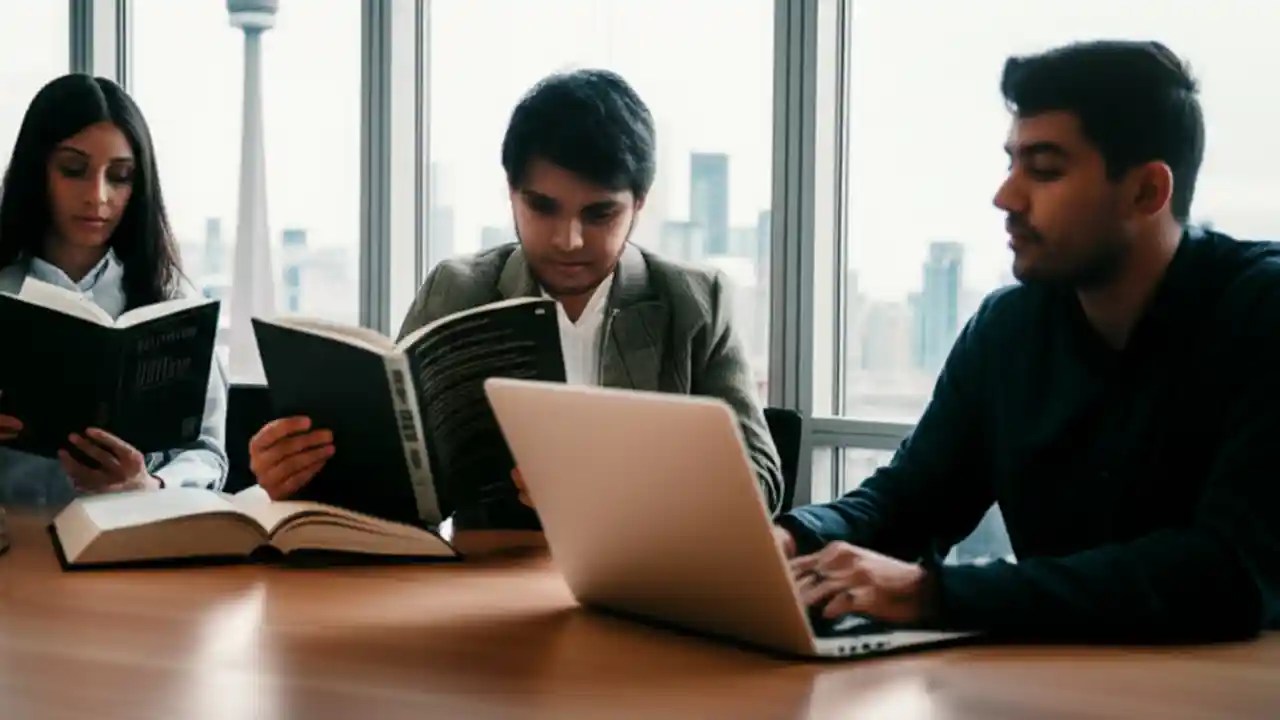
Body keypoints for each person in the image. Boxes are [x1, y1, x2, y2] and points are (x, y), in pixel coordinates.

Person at [775, 40, 1280, 641]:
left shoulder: (1262, 314)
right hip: (1055, 682)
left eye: (1043, 170)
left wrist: (932, 593)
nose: (1006, 197)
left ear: (1146, 193)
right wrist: (790, 538)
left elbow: (1229, 573)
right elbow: (909, 502)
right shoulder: (1007, 330)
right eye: (1011, 164)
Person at [249, 69, 783, 527]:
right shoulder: (458, 289)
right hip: (486, 583)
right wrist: (304, 479)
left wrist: (620, 489)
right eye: (542, 207)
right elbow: (400, 480)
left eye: (600, 215)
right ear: (511, 193)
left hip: (648, 587)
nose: (567, 239)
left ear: (639, 204)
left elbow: (761, 486)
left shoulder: (696, 303)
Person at [0, 74, 228, 508]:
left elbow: (209, 453)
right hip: (14, 548)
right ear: (38, 170)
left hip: (130, 542)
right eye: (73, 170)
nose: (98, 196)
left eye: (120, 176)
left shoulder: (174, 301)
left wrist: (149, 486)